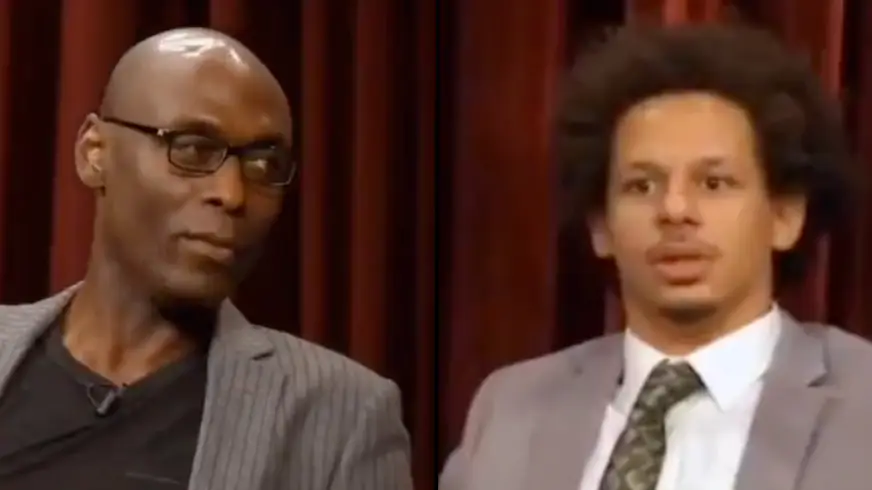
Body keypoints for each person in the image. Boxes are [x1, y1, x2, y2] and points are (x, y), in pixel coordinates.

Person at [440, 23, 872, 490]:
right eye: (641, 185)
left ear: (785, 216)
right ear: (600, 227)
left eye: (714, 183)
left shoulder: (860, 404)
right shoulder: (511, 408)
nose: (674, 210)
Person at [0, 28, 413, 490]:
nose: (233, 194)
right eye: (193, 149)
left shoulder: (342, 416)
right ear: (94, 153)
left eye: (264, 165)